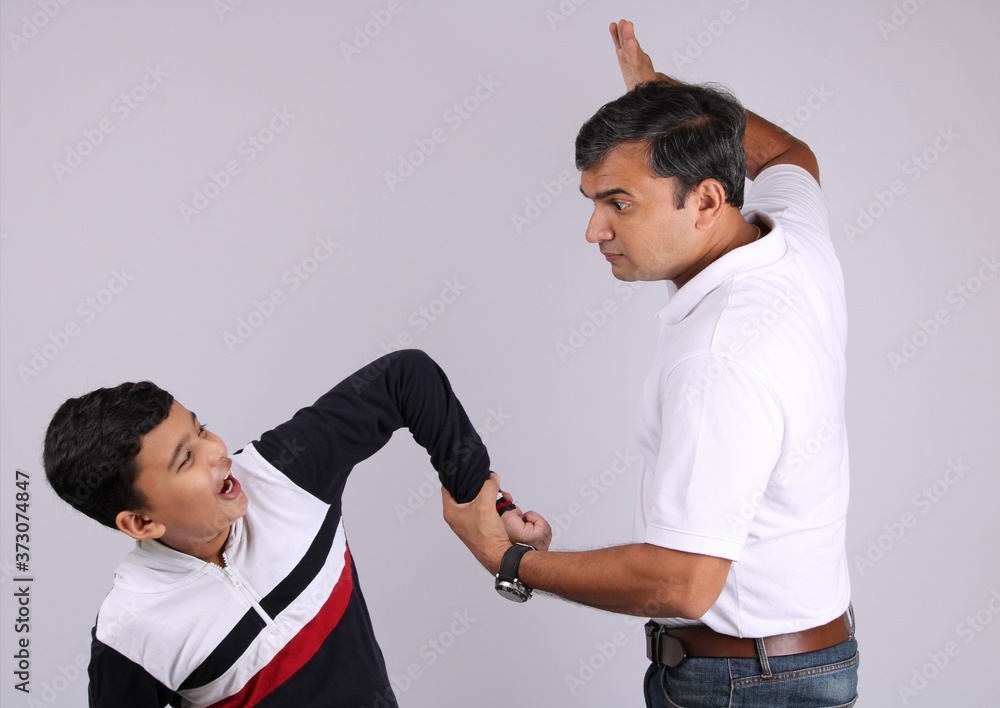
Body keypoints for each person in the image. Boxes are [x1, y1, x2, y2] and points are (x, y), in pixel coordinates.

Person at [443, 20, 859, 707]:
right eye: (594, 201)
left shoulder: (719, 359)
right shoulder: (794, 236)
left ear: (705, 199)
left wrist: (513, 561)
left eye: (619, 203)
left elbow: (681, 583)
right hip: (805, 662)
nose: (594, 230)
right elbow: (790, 153)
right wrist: (671, 98)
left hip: (740, 686)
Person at [44, 349, 526, 707]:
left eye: (201, 428)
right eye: (186, 458)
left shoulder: (283, 473)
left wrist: (483, 504)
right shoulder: (130, 633)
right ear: (142, 522)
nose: (217, 451)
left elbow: (407, 376)